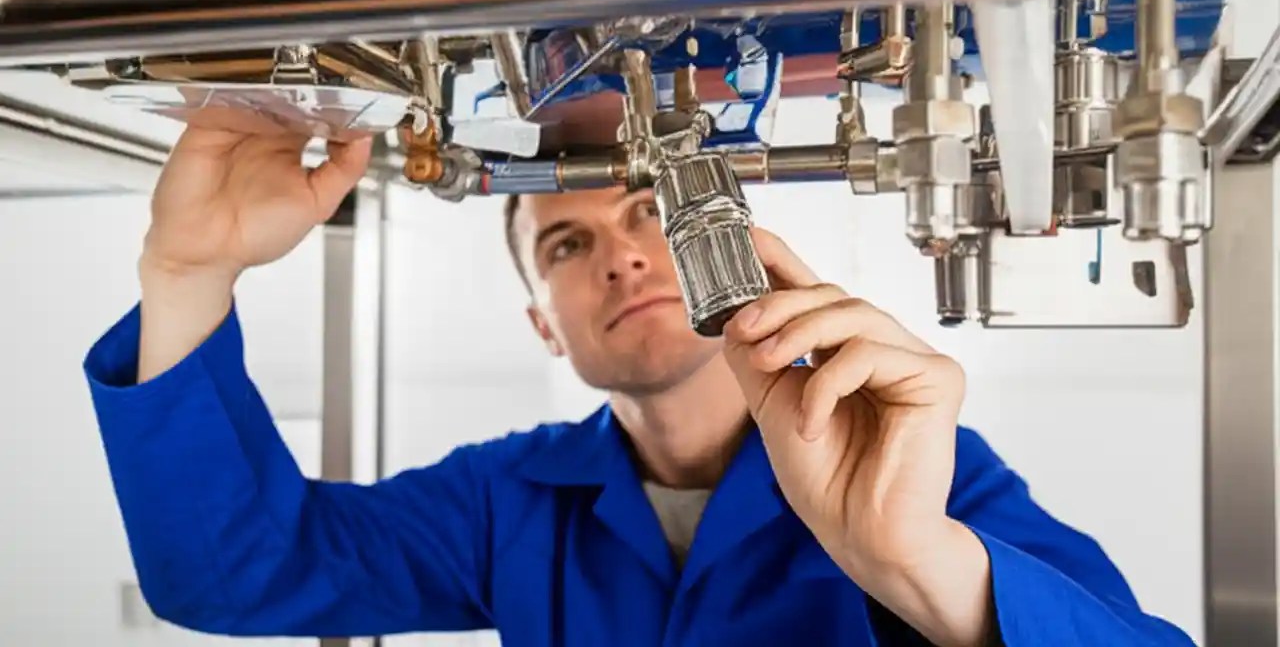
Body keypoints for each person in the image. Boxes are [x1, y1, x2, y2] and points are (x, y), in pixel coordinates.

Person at [82, 121, 1196, 646]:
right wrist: (189, 272)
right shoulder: (504, 501)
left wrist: (921, 569)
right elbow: (236, 576)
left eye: (648, 219)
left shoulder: (909, 466)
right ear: (545, 328)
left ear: (735, 249)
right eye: (565, 245)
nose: (618, 256)